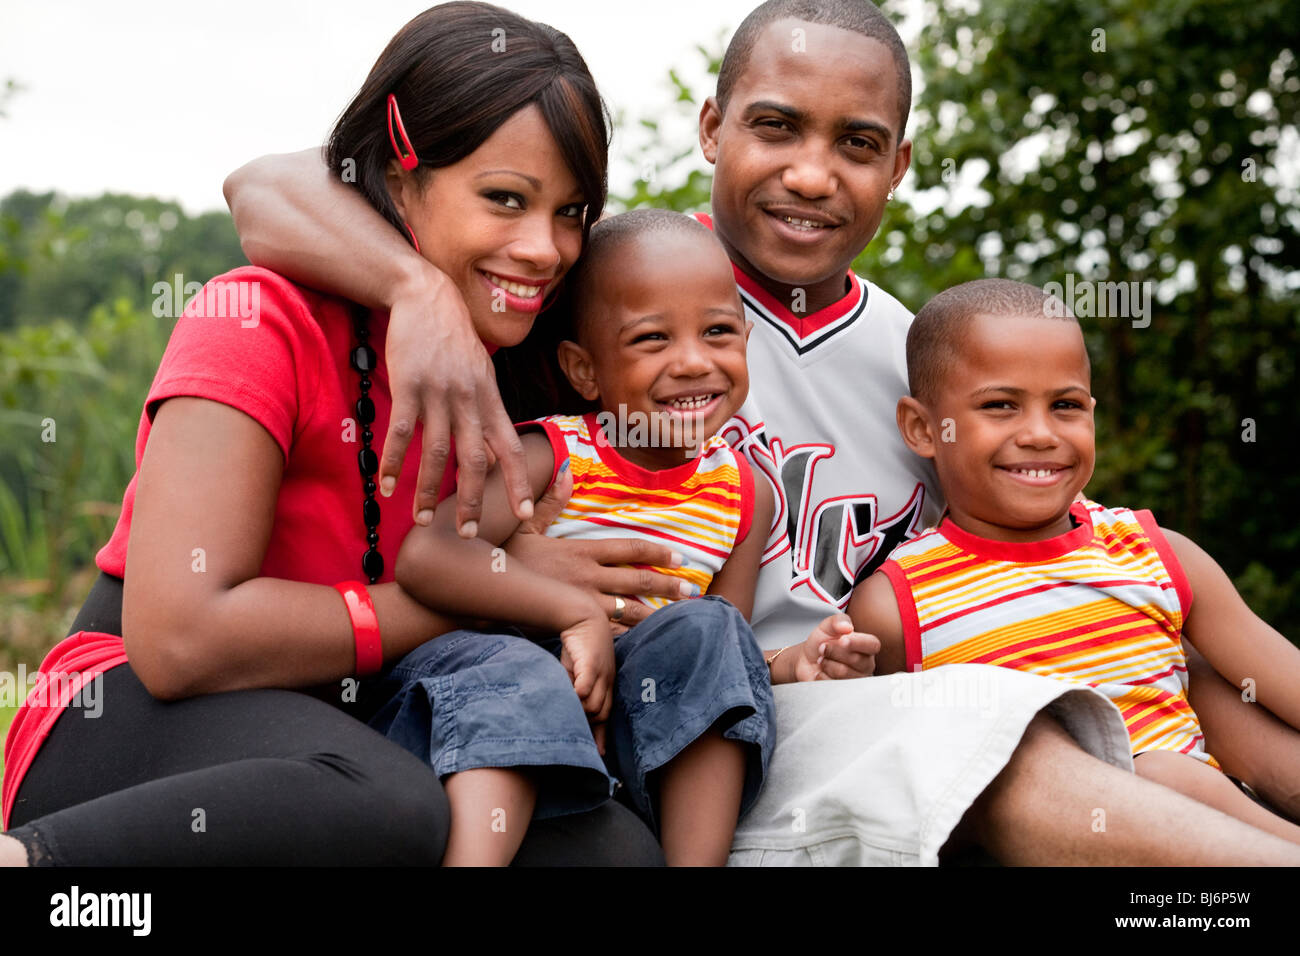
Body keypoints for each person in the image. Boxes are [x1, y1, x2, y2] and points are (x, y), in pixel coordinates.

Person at [220, 0, 1300, 865]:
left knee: (1164, 657)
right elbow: (264, 187)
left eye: (857, 143)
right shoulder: (606, 284)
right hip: (682, 706)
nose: (811, 173)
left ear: (900, 166)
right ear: (710, 128)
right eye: (776, 125)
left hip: (839, 690)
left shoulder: (924, 358)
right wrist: (413, 286)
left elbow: (1033, 563)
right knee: (979, 736)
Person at [0, 2, 669, 867]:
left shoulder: (532, 363)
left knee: (609, 853)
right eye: (503, 199)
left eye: (571, 213)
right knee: (384, 804)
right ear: (399, 178)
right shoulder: (260, 317)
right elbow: (179, 642)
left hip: (360, 716)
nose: (544, 248)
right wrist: (484, 589)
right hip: (130, 712)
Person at [379, 209, 782, 865]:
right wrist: (572, 612)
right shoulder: (554, 453)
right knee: (518, 671)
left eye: (718, 332)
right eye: (652, 340)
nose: (692, 362)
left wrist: (790, 664)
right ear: (585, 371)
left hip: (641, 723)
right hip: (513, 690)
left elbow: (722, 655)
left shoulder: (746, 491)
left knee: (710, 629)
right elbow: (429, 556)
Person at [840, 277, 1300, 845]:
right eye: (1000, 406)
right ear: (922, 428)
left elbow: (1284, 684)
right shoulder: (894, 601)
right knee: (1156, 773)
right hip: (1058, 844)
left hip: (1210, 838)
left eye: (1066, 406)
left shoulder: (1156, 552)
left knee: (1173, 770)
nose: (1039, 434)